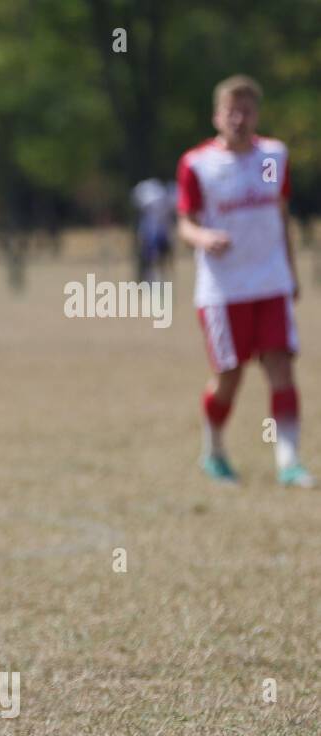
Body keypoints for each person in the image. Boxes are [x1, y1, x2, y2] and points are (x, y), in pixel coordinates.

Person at [177, 75, 311, 487]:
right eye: (231, 111)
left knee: (281, 368)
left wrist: (290, 271)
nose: (239, 118)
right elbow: (185, 221)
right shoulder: (197, 163)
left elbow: (280, 213)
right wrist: (203, 237)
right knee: (229, 377)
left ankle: (288, 460)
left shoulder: (273, 155)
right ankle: (214, 450)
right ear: (217, 115)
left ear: (257, 115)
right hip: (224, 289)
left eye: (247, 110)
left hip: (269, 282)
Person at [131, 177, 174, 283]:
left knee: (158, 261)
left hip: (158, 233)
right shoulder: (154, 192)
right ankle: (150, 281)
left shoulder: (152, 193)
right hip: (151, 233)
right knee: (149, 261)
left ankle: (158, 281)